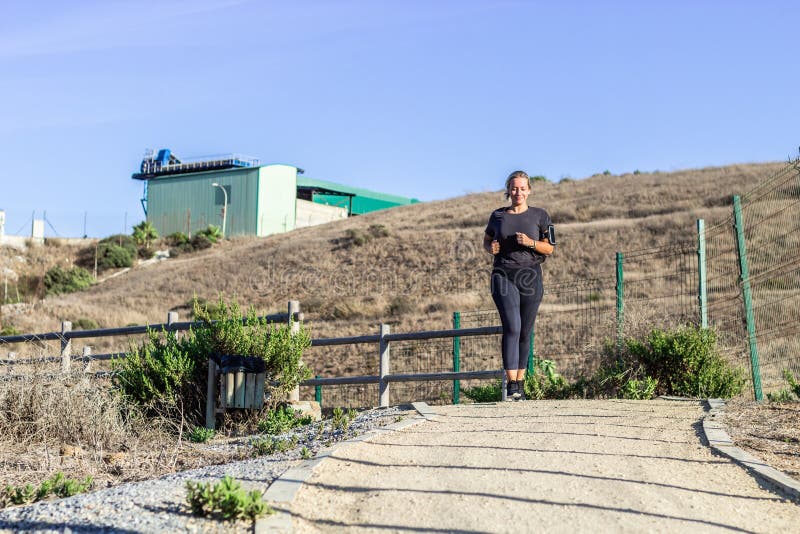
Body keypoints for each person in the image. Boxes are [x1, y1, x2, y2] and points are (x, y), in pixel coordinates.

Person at [483, 170, 555, 400]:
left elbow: (550, 248)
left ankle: (520, 384)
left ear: (529, 190)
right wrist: (490, 247)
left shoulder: (540, 216)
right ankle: (511, 383)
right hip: (503, 276)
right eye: (514, 188)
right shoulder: (498, 215)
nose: (518, 192)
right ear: (508, 190)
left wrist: (531, 242)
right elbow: (487, 239)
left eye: (523, 188)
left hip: (531, 277)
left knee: (525, 330)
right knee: (512, 327)